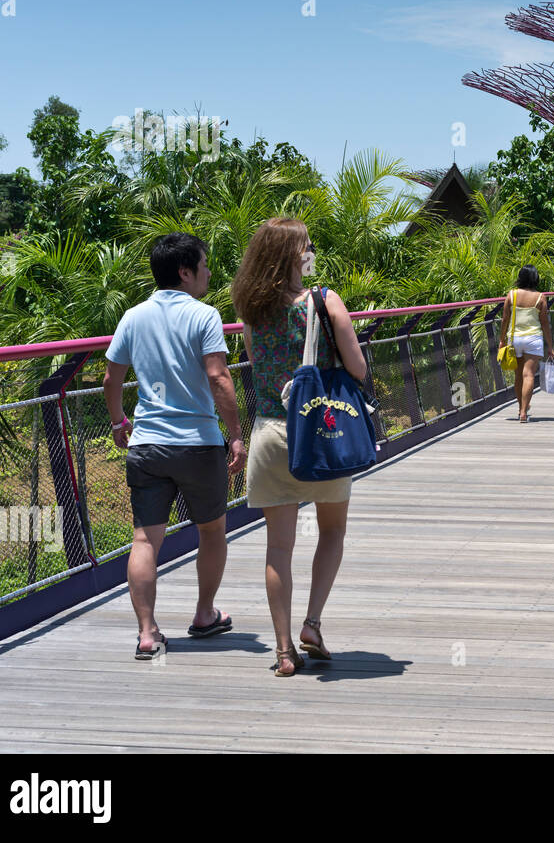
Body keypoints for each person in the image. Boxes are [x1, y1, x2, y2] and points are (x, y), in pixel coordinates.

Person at [231, 217, 369, 677]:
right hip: (322, 429)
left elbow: (256, 363)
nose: (312, 252)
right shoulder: (324, 300)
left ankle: (284, 651)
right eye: (307, 246)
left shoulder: (251, 309)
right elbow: (358, 368)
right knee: (331, 532)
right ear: (294, 255)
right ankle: (311, 623)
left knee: (278, 549)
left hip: (271, 430)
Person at [103, 232, 247, 661]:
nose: (207, 272)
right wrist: (236, 432)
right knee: (211, 531)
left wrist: (118, 422)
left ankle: (148, 634)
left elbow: (112, 378)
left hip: (147, 444)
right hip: (198, 445)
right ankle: (205, 613)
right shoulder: (204, 316)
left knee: (145, 540)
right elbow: (219, 377)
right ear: (185, 272)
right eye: (203, 265)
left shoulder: (133, 316)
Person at [499, 266, 554, 423]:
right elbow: (544, 323)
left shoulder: (512, 295)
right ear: (535, 278)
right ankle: (524, 411)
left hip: (515, 339)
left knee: (518, 376)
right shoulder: (540, 297)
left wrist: (502, 340)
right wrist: (550, 346)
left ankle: (520, 408)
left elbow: (505, 320)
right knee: (528, 374)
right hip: (533, 339)